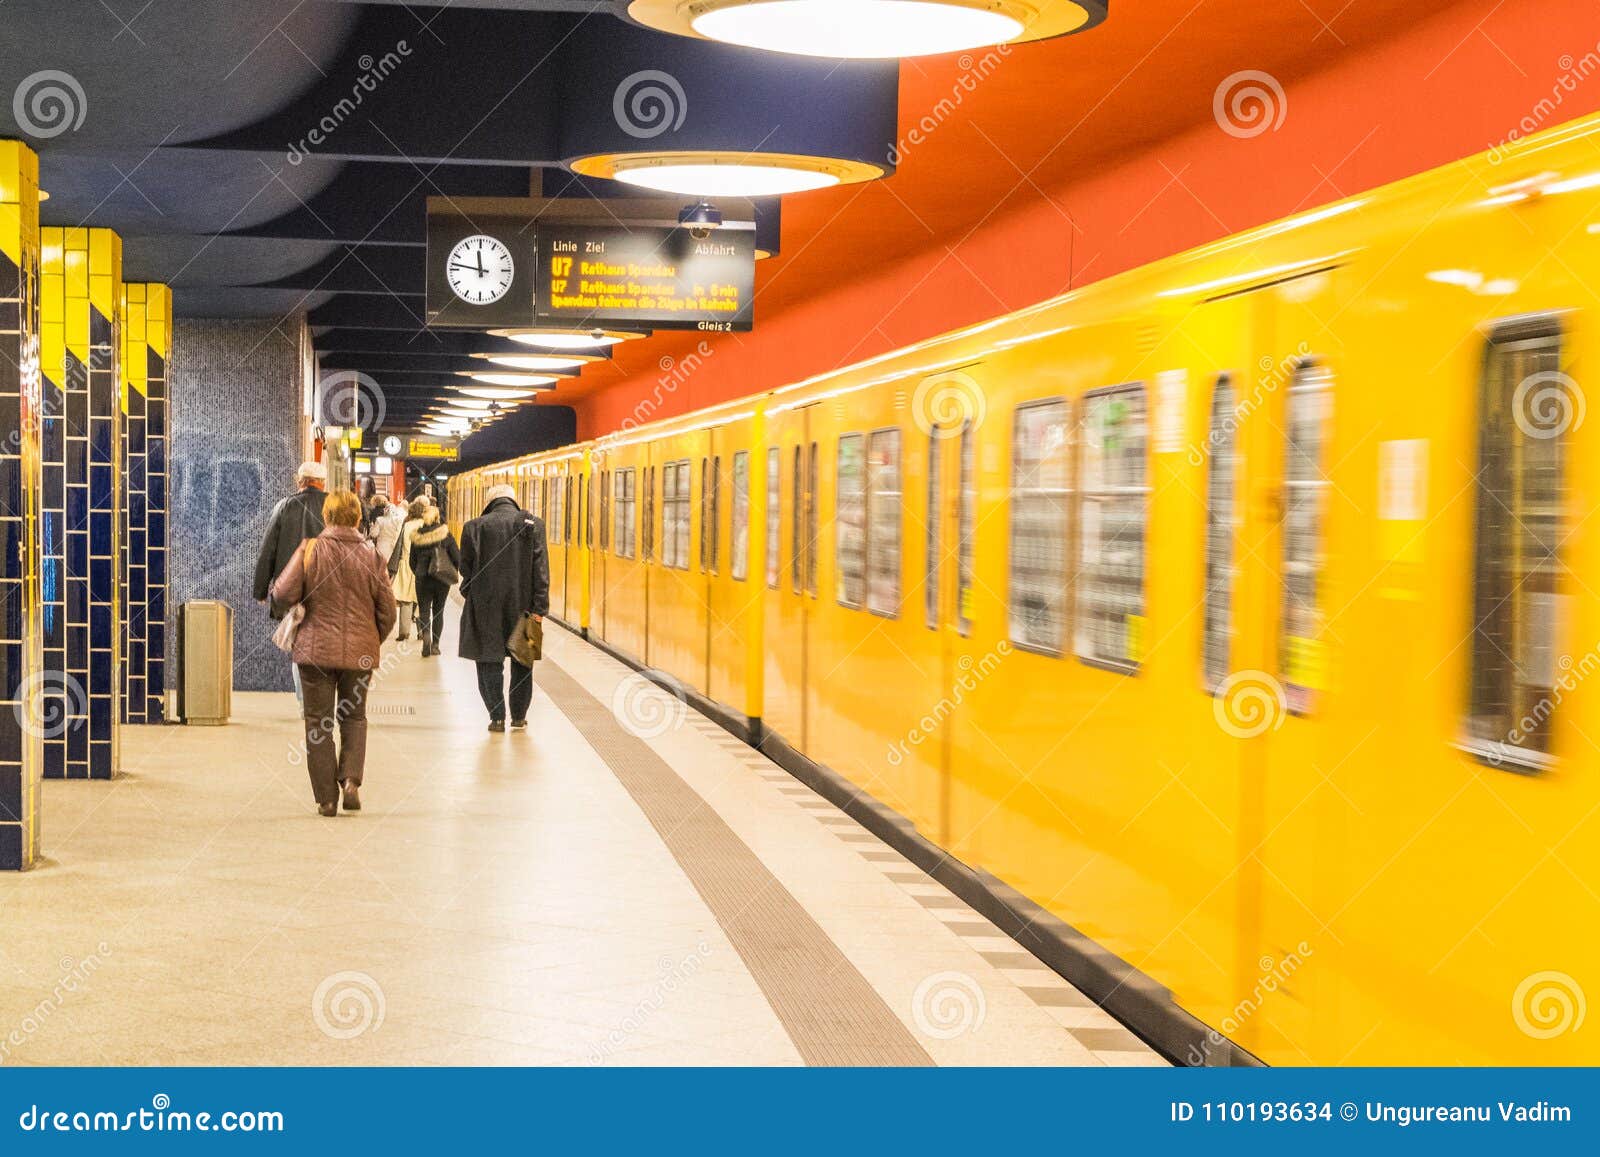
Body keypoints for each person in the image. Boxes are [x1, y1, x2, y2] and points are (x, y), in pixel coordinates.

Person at [270, 489, 397, 817]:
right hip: (361, 653)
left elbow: (282, 592)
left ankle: (327, 799)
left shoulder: (310, 550)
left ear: (326, 517)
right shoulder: (372, 556)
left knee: (318, 723)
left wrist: (302, 603)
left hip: (315, 653)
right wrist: (370, 640)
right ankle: (351, 781)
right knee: (354, 716)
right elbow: (388, 611)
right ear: (357, 518)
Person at [459, 483, 549, 733]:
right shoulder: (533, 525)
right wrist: (539, 609)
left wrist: (471, 593)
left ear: (489, 502)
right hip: (525, 607)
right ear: (513, 501)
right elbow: (541, 571)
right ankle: (519, 716)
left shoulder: (474, 527)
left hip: (485, 605)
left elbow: (465, 569)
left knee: (488, 660)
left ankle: (496, 716)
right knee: (523, 661)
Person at [253, 460, 327, 703]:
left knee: (299, 642)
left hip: (291, 588)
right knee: (325, 641)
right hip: (326, 586)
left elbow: (268, 549)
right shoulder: (333, 507)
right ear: (322, 483)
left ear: (300, 481)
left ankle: (305, 703)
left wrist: (261, 589)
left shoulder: (285, 506)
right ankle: (322, 697)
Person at [408, 504, 460, 658]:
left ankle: (426, 638)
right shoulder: (446, 534)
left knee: (424, 611)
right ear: (437, 517)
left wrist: (419, 572)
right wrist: (452, 571)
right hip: (442, 579)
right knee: (439, 611)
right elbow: (457, 558)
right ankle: (435, 645)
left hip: (422, 578)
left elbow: (412, 561)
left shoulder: (416, 535)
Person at [387, 498, 428, 643]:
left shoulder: (407, 525)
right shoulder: (426, 525)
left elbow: (399, 546)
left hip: (406, 565)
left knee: (405, 601)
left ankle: (404, 632)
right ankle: (422, 632)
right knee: (422, 600)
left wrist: (392, 567)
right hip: (422, 566)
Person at [368, 493, 405, 567]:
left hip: (381, 546)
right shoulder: (398, 521)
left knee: (380, 567)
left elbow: (374, 534)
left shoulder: (379, 520)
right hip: (393, 546)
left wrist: (371, 526)